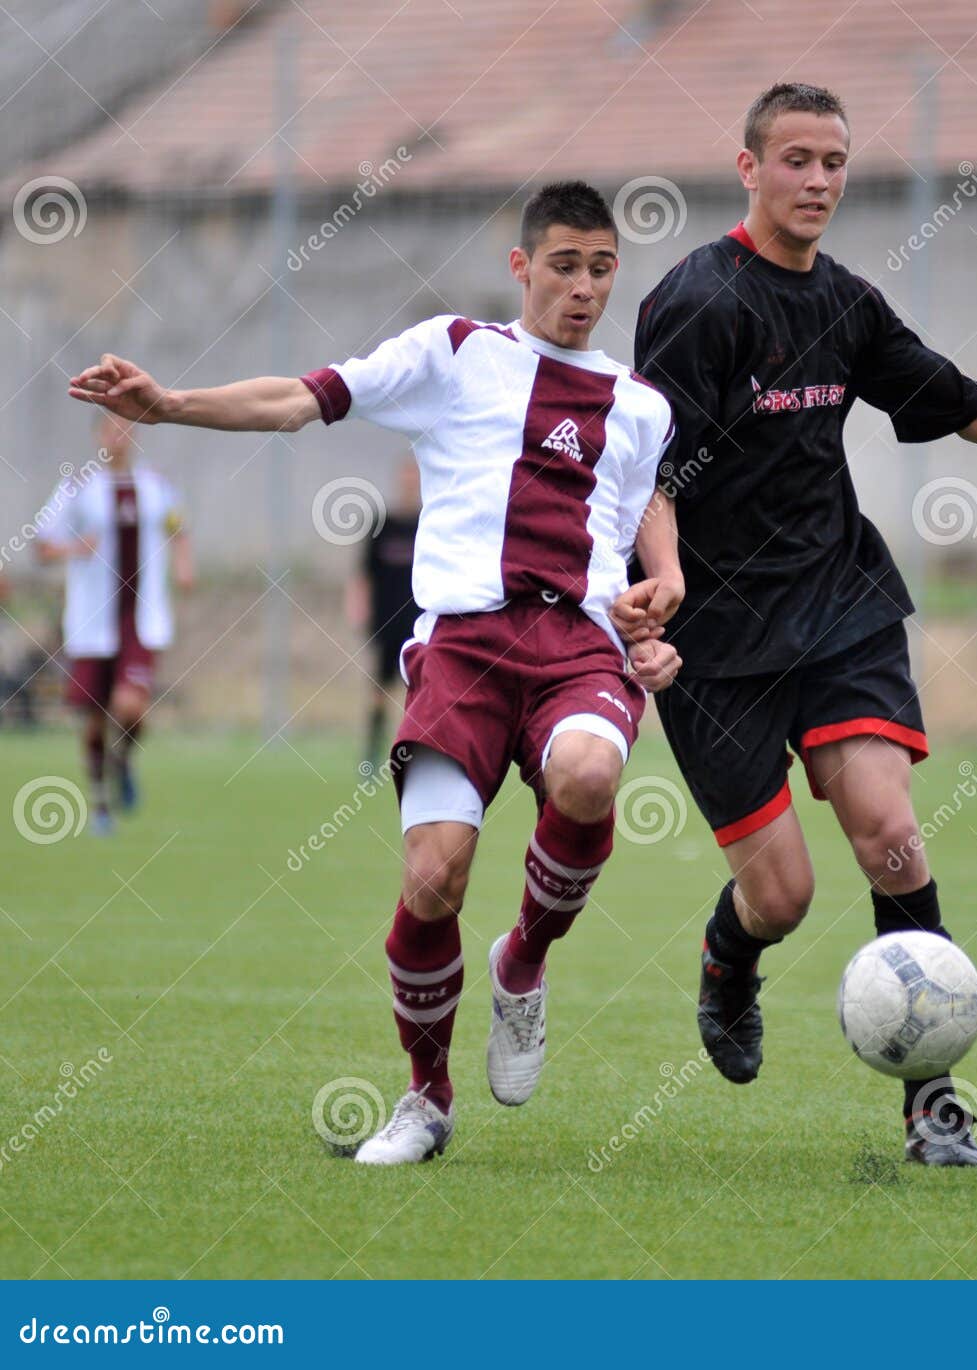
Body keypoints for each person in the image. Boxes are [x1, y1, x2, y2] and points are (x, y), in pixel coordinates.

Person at [68, 180, 685, 1165]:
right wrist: (173, 404)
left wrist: (665, 586)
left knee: (585, 774)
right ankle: (426, 1097)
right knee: (434, 873)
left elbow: (641, 494)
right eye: (563, 265)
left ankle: (521, 959)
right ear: (521, 266)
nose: (582, 286)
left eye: (601, 268)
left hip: (579, 647)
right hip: (463, 649)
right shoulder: (452, 353)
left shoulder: (639, 402)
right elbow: (303, 398)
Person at [625, 82, 977, 1167]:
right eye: (797, 159)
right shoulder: (698, 302)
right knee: (784, 893)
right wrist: (664, 574)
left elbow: (957, 398)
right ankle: (729, 958)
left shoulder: (847, 305)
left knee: (886, 827)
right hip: (716, 639)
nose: (818, 180)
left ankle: (933, 1103)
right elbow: (645, 470)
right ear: (750, 167)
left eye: (834, 161)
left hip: (838, 605)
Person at [35, 412, 193, 833]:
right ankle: (101, 802)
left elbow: (178, 526)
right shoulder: (77, 487)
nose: (119, 436)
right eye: (111, 429)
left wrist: (183, 564)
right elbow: (43, 547)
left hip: (139, 619)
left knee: (130, 708)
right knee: (93, 721)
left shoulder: (154, 485)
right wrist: (75, 548)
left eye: (126, 429)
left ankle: (123, 760)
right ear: (98, 437)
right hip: (91, 622)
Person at [347, 458, 421, 772]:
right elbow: (363, 572)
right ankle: (372, 755)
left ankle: (410, 756)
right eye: (404, 476)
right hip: (385, 620)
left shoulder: (428, 524)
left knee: (418, 691)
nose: (408, 482)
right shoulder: (383, 526)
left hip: (419, 624)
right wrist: (357, 607)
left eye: (413, 477)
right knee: (379, 689)